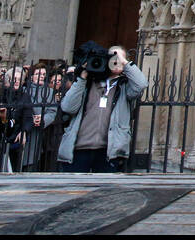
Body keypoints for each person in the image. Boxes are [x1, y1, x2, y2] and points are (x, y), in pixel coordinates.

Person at [57, 45, 147, 173]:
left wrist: (124, 62)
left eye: (119, 58)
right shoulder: (88, 84)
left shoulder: (124, 87)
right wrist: (83, 76)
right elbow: (68, 107)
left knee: (103, 190)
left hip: (109, 151)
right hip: (79, 149)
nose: (116, 61)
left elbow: (141, 84)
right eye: (112, 57)